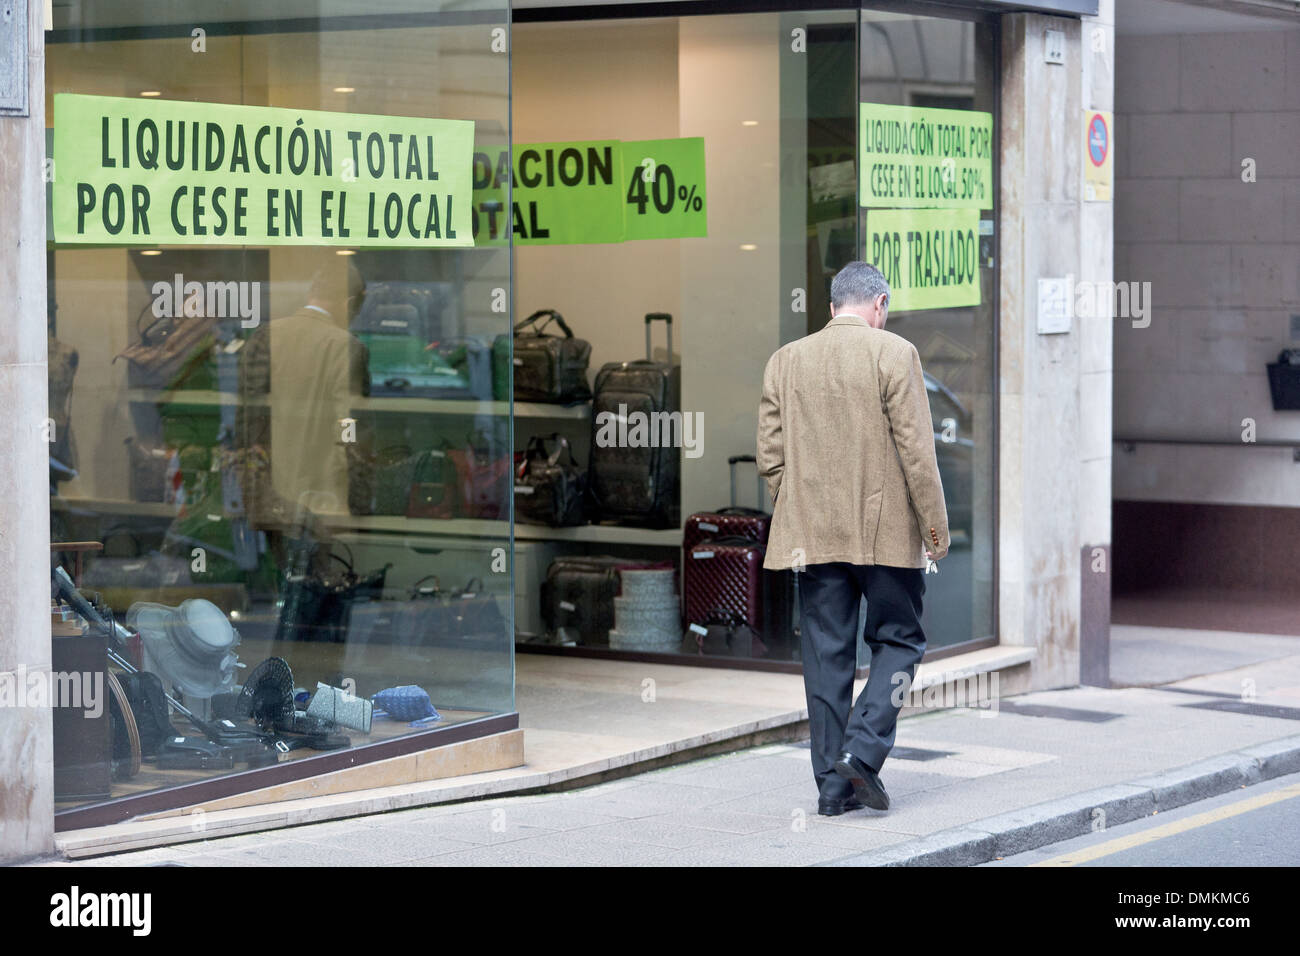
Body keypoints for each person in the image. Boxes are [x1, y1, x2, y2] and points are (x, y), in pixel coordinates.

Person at [757, 261, 949, 816]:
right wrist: (934, 533)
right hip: (885, 536)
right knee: (900, 641)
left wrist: (800, 508)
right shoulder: (894, 353)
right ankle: (862, 756)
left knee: (826, 657)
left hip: (813, 538)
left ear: (832, 306)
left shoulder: (785, 361)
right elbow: (918, 453)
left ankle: (831, 789)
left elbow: (771, 458)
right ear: (880, 306)